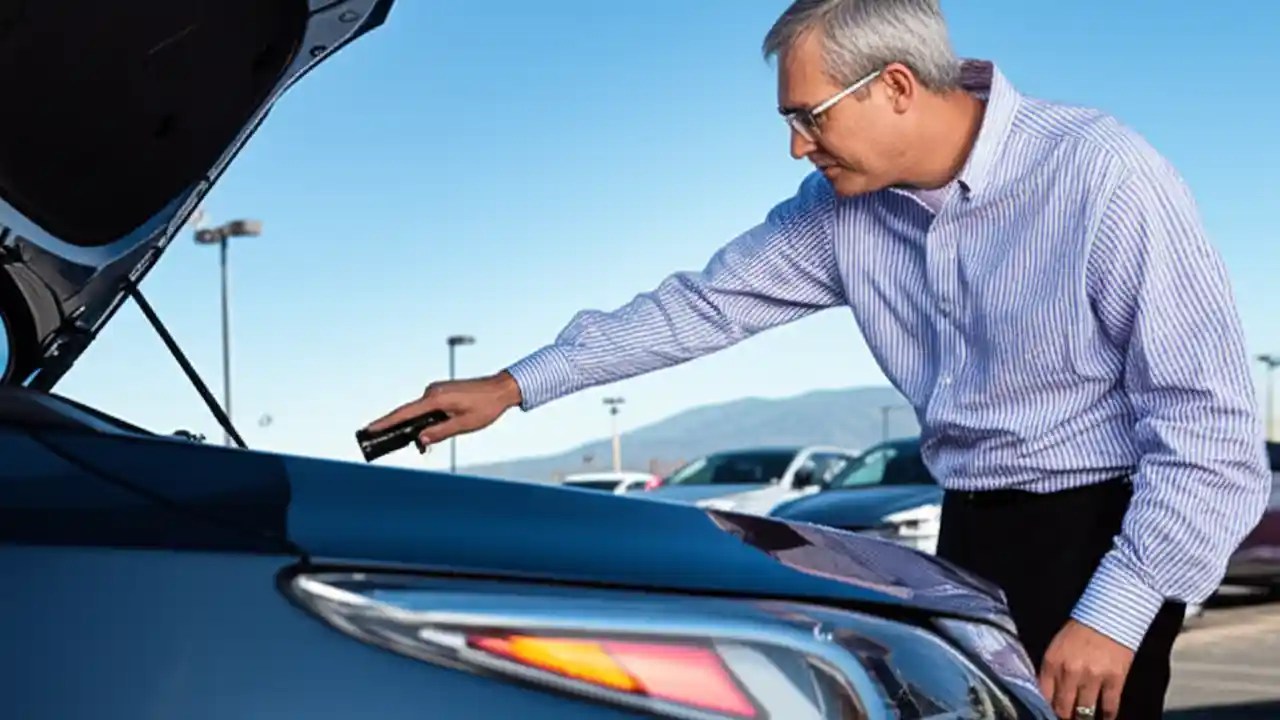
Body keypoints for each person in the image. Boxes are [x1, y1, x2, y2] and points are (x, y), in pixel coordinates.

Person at [367, 0, 1271, 717]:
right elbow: (701, 304)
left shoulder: (1100, 173)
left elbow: (1212, 432)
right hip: (968, 531)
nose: (797, 142)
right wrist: (515, 384)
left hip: (1106, 529)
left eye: (809, 116)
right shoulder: (840, 211)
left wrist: (1116, 616)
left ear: (898, 86)